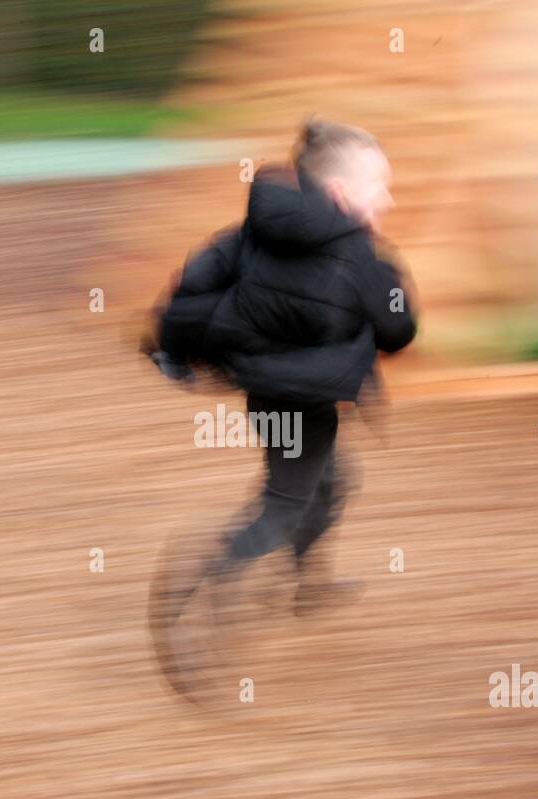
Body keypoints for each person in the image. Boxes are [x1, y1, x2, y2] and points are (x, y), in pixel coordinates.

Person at [147, 118, 418, 699]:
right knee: (283, 507)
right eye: (379, 186)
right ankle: (200, 579)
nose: (388, 198)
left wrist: (170, 346)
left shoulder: (254, 229)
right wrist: (389, 284)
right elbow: (400, 333)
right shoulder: (363, 260)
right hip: (308, 401)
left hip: (265, 392)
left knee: (334, 481)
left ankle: (304, 582)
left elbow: (195, 279)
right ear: (342, 195)